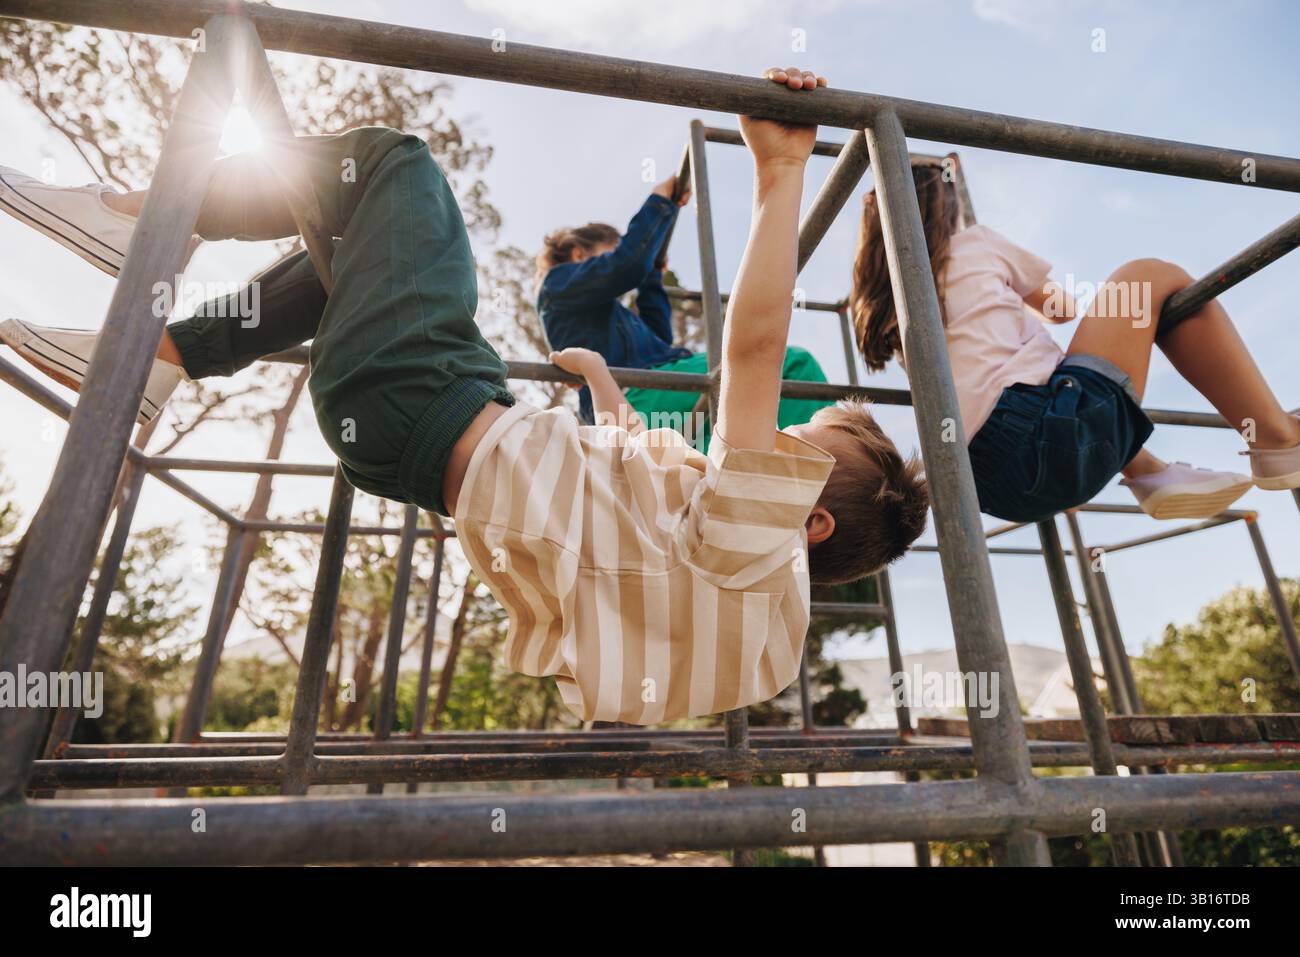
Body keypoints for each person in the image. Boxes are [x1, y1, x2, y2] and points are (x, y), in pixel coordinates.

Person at [0, 68, 928, 724]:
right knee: (358, 246)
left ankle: (148, 216)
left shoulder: (754, 542)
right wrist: (606, 384)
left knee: (394, 163)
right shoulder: (738, 590)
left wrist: (780, 172)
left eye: (798, 442)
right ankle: (162, 355)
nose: (774, 443)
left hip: (423, 400)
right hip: (431, 423)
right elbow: (636, 483)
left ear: (807, 525)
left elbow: (757, 345)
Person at [849, 163, 1300, 522]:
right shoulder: (976, 243)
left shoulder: (890, 300)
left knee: (1038, 370)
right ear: (946, 209)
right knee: (1147, 278)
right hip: (1036, 435)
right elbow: (1060, 309)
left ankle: (1149, 471)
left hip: (982, 485)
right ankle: (1277, 438)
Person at [535, 171, 829, 448]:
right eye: (612, 249)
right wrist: (660, 203)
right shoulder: (556, 285)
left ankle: (753, 488)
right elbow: (626, 265)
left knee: (707, 451)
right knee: (793, 366)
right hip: (632, 395)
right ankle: (819, 471)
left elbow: (660, 339)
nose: (619, 254)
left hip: (650, 393)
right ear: (578, 254)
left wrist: (651, 277)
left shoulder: (600, 310)